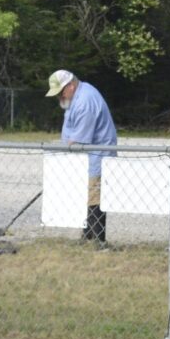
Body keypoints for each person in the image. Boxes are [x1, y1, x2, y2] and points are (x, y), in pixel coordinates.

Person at [46, 70, 118, 247]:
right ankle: (87, 237)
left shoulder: (85, 101)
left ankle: (99, 242)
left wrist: (61, 159)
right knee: (85, 196)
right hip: (85, 159)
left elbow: (78, 140)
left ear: (70, 85)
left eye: (61, 92)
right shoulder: (77, 95)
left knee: (94, 197)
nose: (60, 97)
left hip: (97, 157)